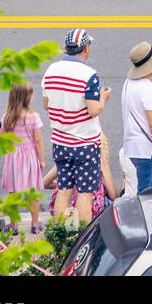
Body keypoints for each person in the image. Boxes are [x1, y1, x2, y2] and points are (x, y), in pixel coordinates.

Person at [41, 28, 110, 225]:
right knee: (85, 194)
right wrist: (103, 98)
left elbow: (47, 104)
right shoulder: (89, 75)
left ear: (66, 48)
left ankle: (62, 234)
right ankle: (81, 237)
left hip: (60, 141)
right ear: (86, 48)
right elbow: (94, 109)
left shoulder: (50, 71)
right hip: (85, 143)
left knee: (64, 190)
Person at [121, 41, 152, 192]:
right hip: (147, 149)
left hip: (134, 146)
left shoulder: (128, 83)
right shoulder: (148, 89)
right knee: (148, 194)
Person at [0, 81, 45, 232]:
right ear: (26, 98)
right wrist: (42, 160)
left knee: (13, 192)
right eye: (31, 94)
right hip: (30, 157)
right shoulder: (33, 117)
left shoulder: (7, 117)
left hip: (13, 157)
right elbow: (38, 140)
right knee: (33, 192)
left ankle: (14, 225)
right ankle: (35, 223)